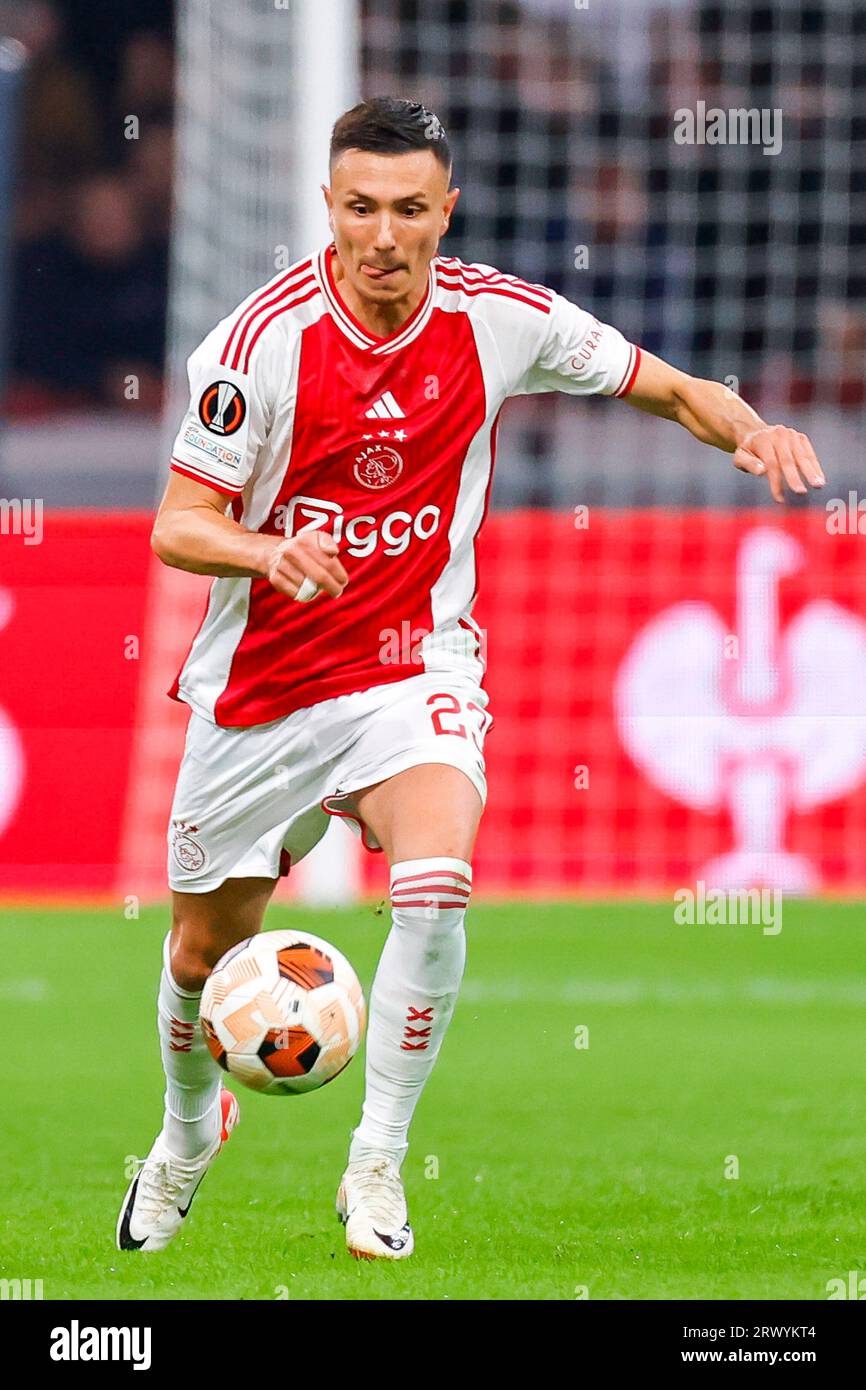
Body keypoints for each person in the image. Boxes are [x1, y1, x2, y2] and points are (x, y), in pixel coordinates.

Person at [116, 96, 825, 1261]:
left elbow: (667, 385)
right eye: (359, 209)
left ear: (445, 212)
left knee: (437, 879)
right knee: (200, 957)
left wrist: (745, 428)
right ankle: (187, 1135)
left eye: (408, 210)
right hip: (262, 688)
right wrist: (264, 548)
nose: (383, 235)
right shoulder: (253, 348)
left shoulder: (500, 317)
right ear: (328, 210)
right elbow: (178, 527)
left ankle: (377, 1167)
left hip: (414, 666)